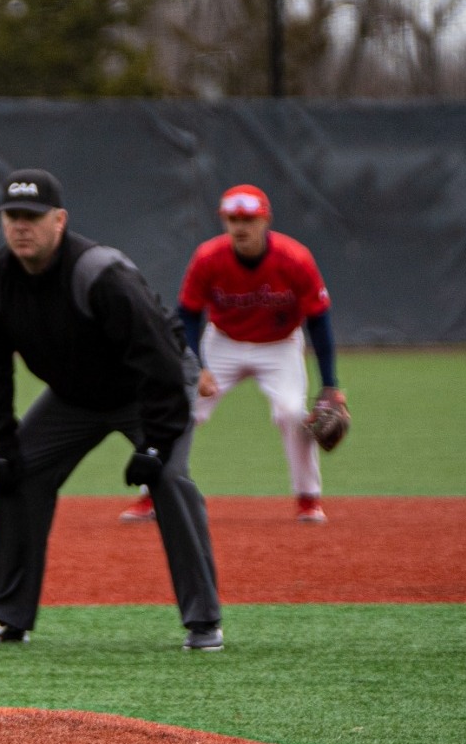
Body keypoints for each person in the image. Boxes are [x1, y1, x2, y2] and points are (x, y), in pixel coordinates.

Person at [0, 168, 225, 651]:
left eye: (32, 217)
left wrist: (157, 443)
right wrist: (1, 441)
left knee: (168, 478)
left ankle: (203, 621)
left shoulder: (99, 273)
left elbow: (160, 359)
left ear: (59, 220)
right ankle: (1, 616)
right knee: (13, 472)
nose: (21, 226)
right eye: (12, 216)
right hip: (74, 396)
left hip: (148, 388)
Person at [120, 184, 342, 524]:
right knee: (182, 409)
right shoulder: (209, 257)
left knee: (291, 413)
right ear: (224, 220)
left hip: (279, 346)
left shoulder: (294, 258)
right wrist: (198, 365)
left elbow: (319, 321)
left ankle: (308, 499)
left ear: (265, 220)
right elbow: (189, 315)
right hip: (223, 344)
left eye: (248, 219)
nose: (240, 226)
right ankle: (153, 494)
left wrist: (330, 385)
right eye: (233, 218)